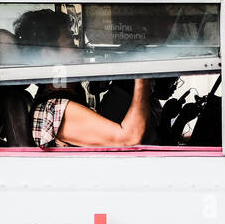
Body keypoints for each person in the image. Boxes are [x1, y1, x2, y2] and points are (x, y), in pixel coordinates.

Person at [14, 9, 151, 148]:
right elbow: (129, 139)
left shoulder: (59, 102)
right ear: (48, 54)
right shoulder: (55, 107)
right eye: (70, 41)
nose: (78, 48)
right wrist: (142, 75)